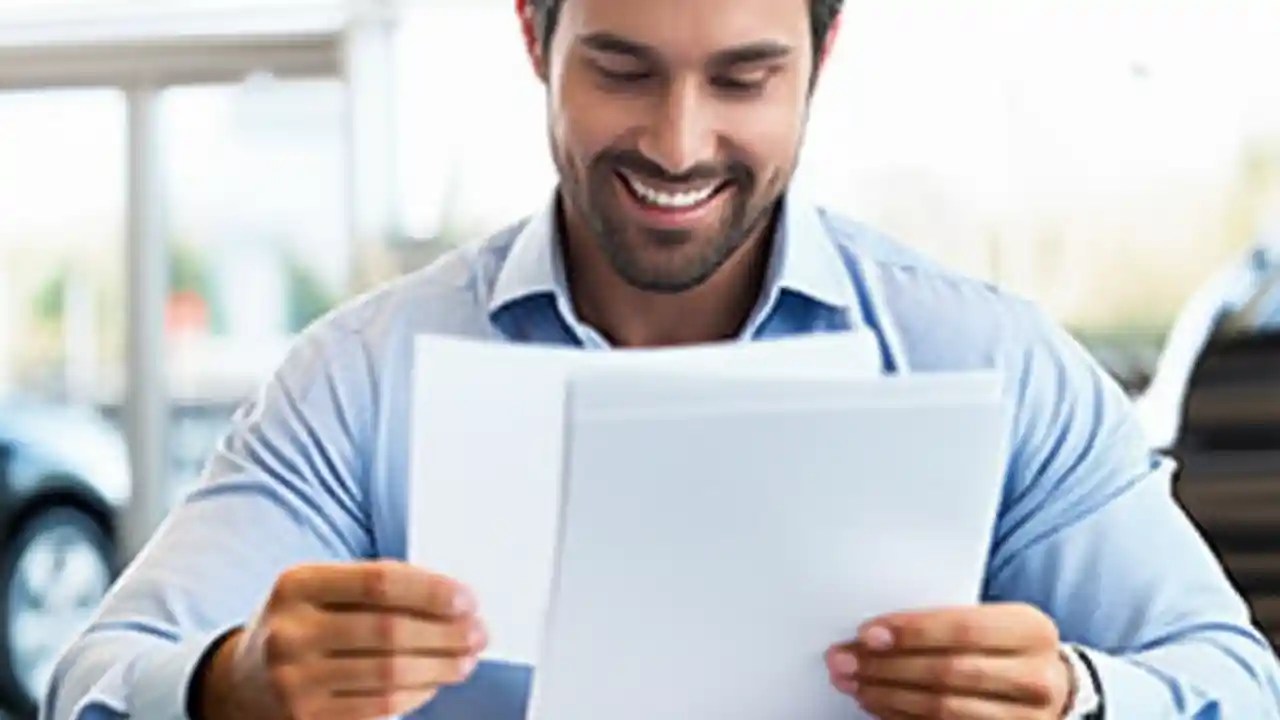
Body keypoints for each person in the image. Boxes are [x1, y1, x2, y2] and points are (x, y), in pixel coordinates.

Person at [45, 0, 1280, 718]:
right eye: (621, 69)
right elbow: (96, 675)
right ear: (533, 33)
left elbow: (1231, 681)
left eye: (743, 77)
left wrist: (1073, 695)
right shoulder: (364, 381)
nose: (678, 144)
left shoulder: (991, 365)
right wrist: (233, 685)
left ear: (822, 56)